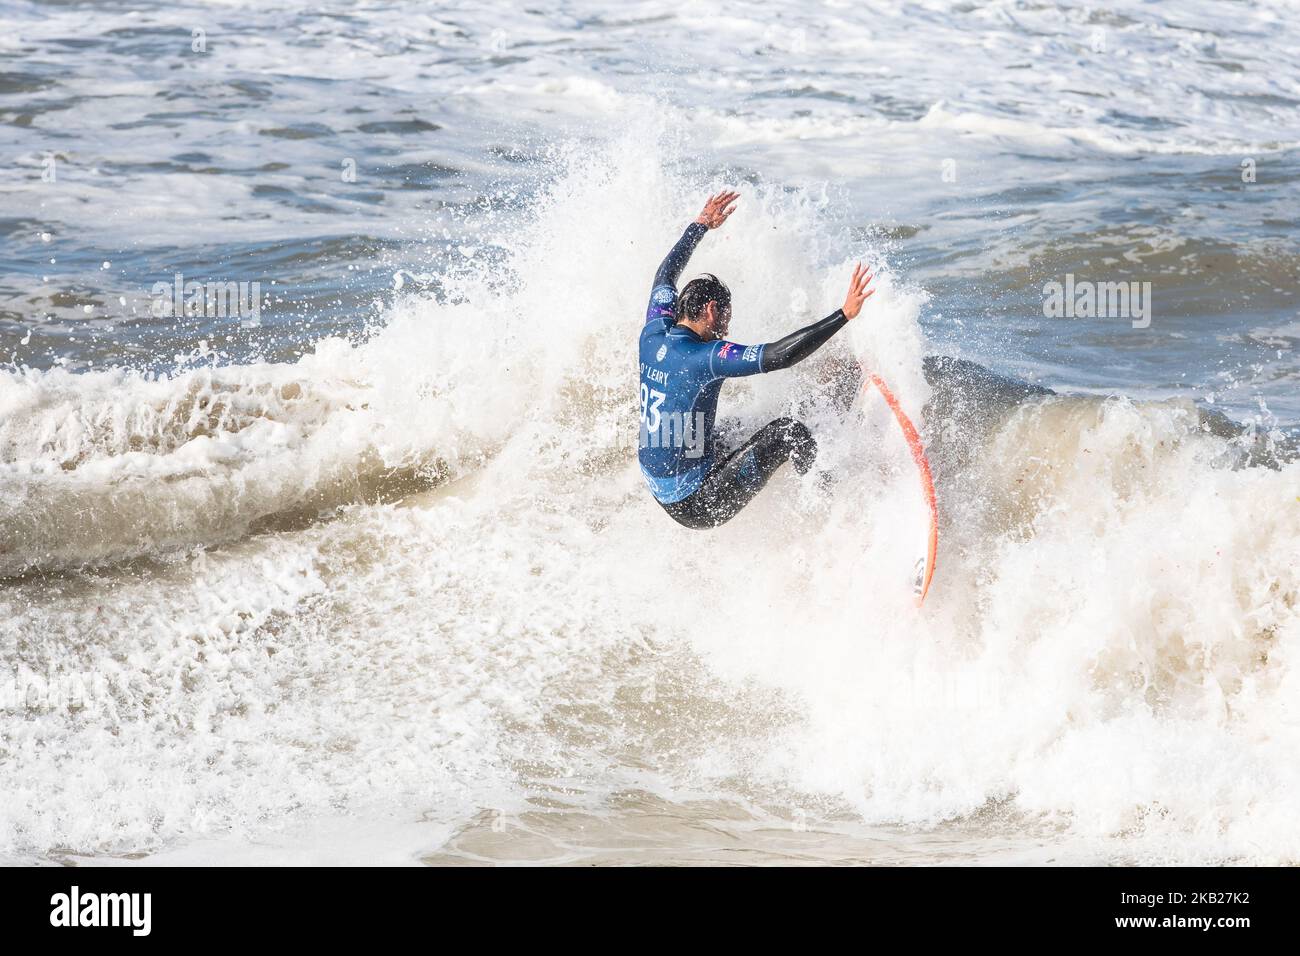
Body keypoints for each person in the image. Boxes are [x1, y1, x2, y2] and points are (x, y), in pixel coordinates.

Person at [638, 191, 875, 529]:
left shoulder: (654, 332)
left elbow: (664, 277)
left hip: (660, 474)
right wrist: (843, 315)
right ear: (711, 310)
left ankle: (833, 406)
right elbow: (780, 355)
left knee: (745, 424)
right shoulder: (705, 358)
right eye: (726, 318)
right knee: (787, 433)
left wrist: (699, 225)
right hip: (697, 502)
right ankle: (838, 509)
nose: (727, 327)